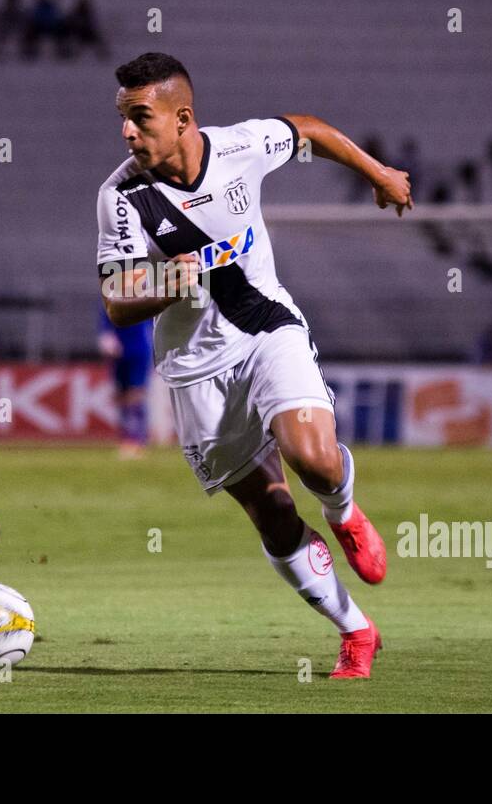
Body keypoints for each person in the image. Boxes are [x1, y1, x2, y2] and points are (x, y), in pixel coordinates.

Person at [95, 53, 412, 678]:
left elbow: (307, 130)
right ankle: (357, 630)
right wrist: (165, 282)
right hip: (194, 370)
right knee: (270, 513)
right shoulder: (121, 196)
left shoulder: (240, 146)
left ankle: (344, 510)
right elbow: (116, 300)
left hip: (266, 329)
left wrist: (377, 172)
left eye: (140, 117)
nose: (127, 132)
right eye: (123, 119)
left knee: (312, 456)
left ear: (182, 117)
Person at [97, 301, 153, 458]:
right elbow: (105, 320)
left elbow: (154, 321)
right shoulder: (112, 295)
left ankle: (137, 439)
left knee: (135, 394)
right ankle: (125, 438)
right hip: (117, 351)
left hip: (138, 350)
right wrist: (106, 337)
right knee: (120, 396)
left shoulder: (146, 296)